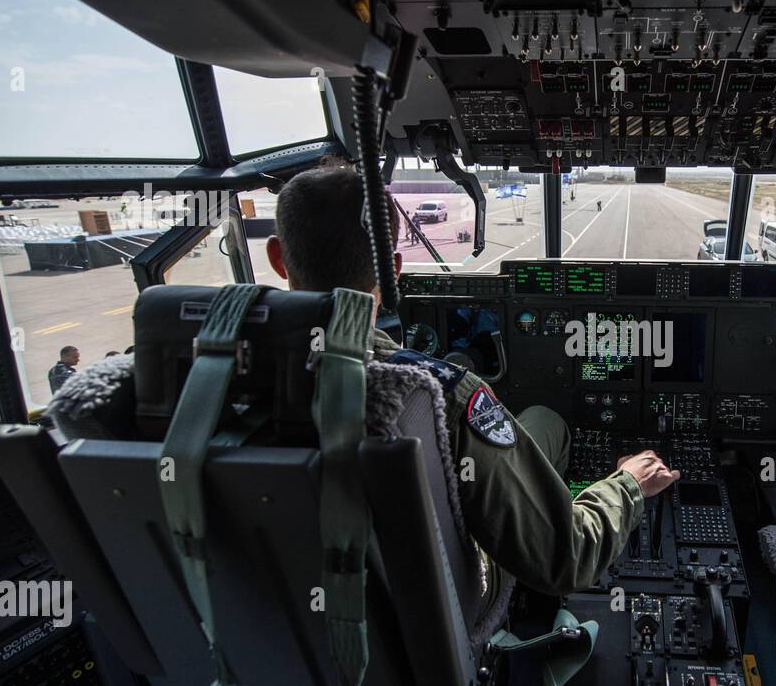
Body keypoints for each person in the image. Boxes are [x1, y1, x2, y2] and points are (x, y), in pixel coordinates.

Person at [266, 163, 678, 597]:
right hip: (440, 606)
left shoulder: (208, 373)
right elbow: (565, 559)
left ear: (277, 258)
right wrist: (629, 484)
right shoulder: (437, 394)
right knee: (543, 418)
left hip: (285, 612)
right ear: (393, 267)